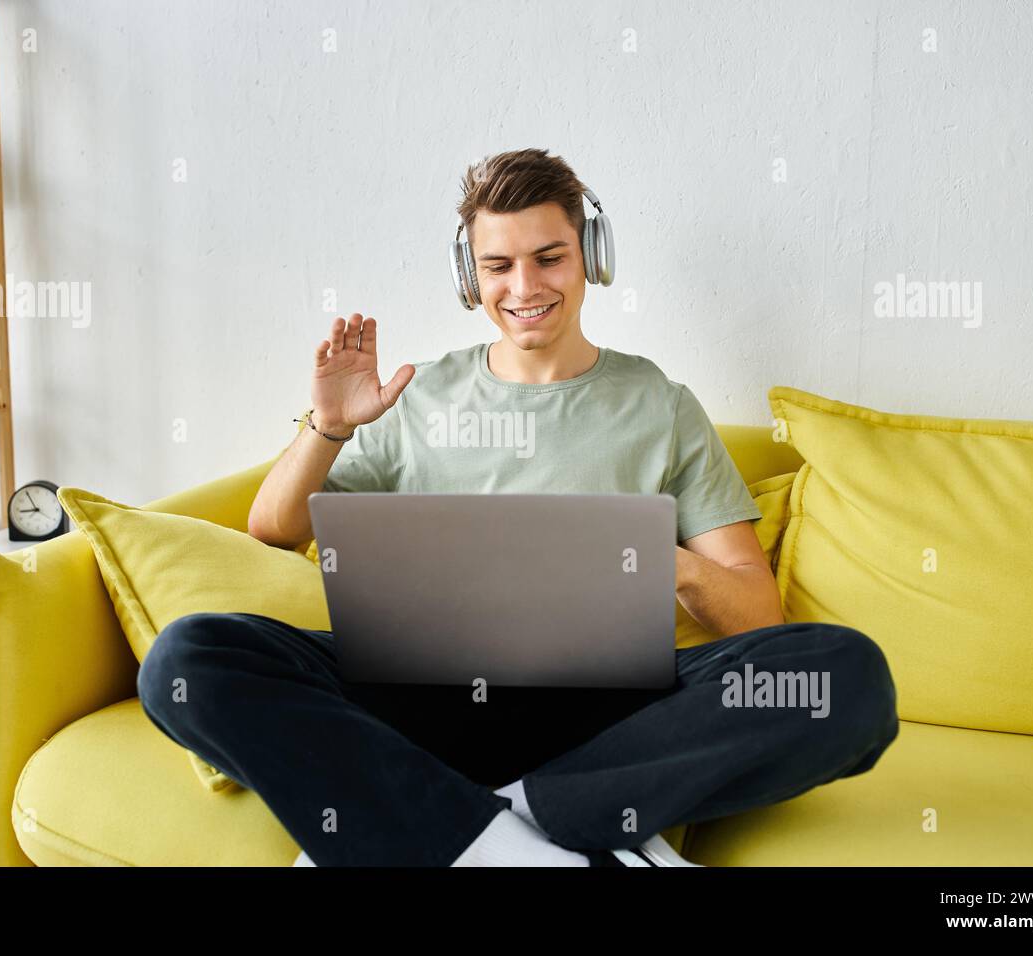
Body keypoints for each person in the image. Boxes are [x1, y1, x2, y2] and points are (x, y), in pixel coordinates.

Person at [137, 148, 899, 867]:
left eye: (549, 257)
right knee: (187, 659)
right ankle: (528, 846)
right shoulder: (419, 394)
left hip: (609, 716)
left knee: (845, 677)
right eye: (498, 265)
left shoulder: (660, 405)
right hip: (420, 702)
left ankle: (492, 820)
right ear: (471, 276)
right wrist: (331, 427)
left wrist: (661, 564)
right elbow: (272, 528)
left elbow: (758, 619)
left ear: (591, 258)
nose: (524, 287)